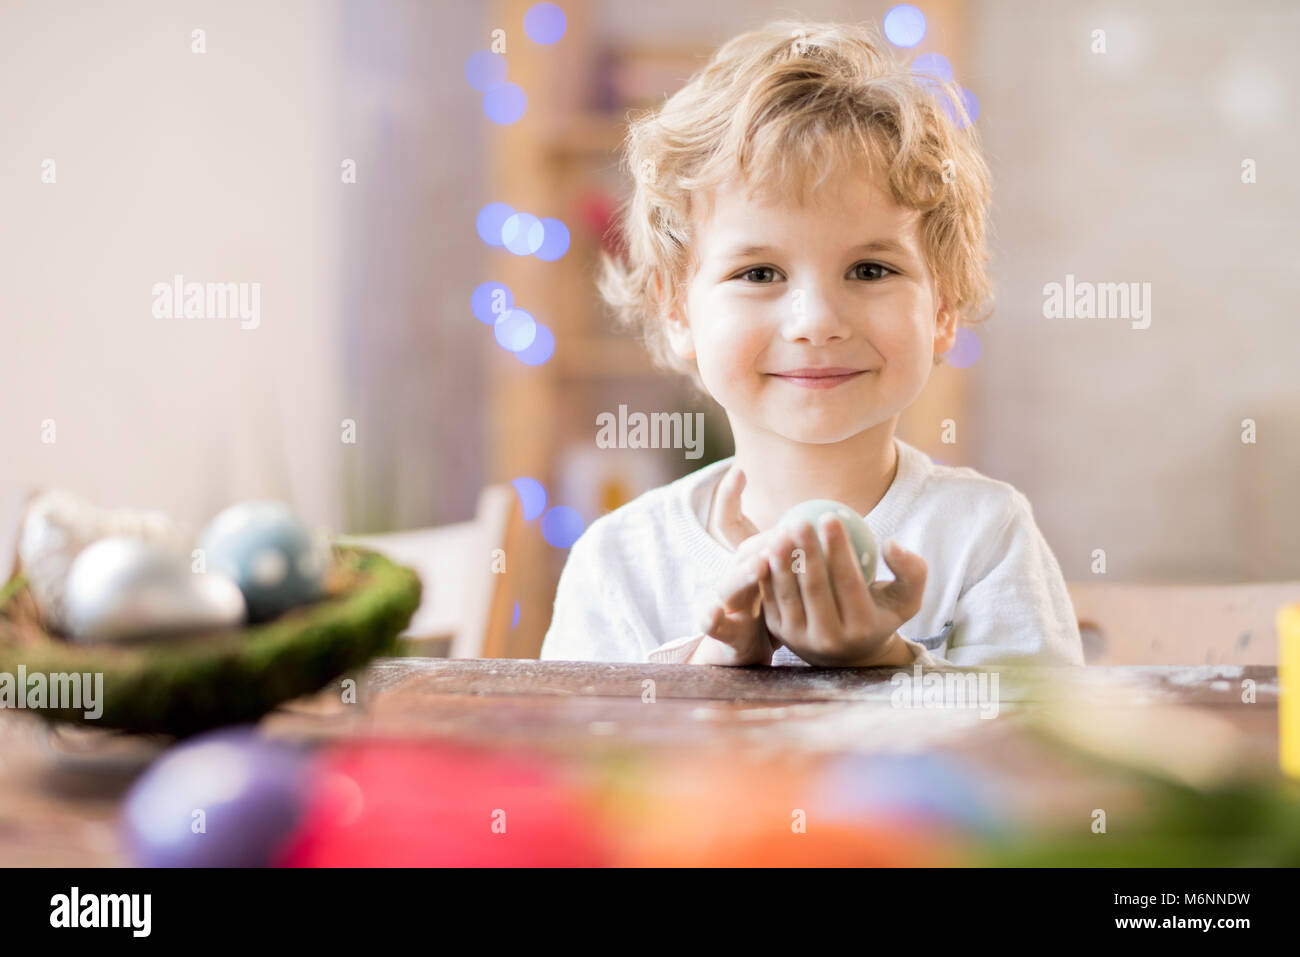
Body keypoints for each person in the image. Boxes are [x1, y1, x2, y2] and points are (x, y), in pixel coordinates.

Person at [540, 19, 1084, 668]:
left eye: (870, 269)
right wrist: (712, 674)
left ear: (942, 306)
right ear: (676, 308)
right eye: (760, 273)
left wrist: (889, 661)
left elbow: (1036, 760)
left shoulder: (985, 537)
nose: (815, 321)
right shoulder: (621, 562)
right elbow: (583, 765)